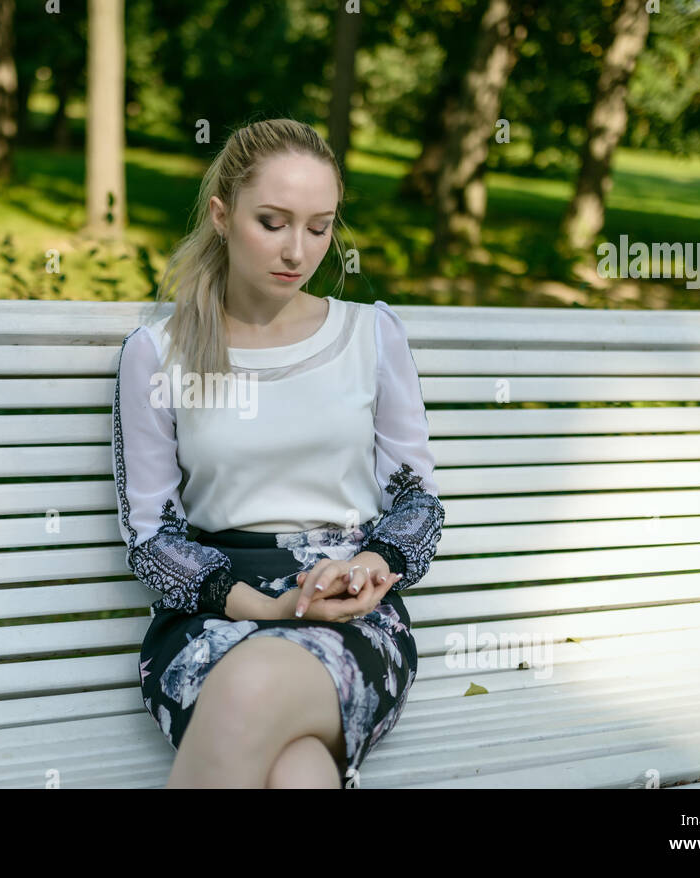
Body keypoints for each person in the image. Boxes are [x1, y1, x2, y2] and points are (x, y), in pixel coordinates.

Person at [112, 118, 445, 788]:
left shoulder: (371, 334)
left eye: (319, 228)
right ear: (221, 215)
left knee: (251, 690)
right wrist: (269, 608)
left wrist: (369, 567)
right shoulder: (158, 354)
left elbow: (417, 502)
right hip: (212, 615)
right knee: (296, 772)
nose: (298, 250)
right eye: (272, 222)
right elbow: (151, 539)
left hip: (351, 614)